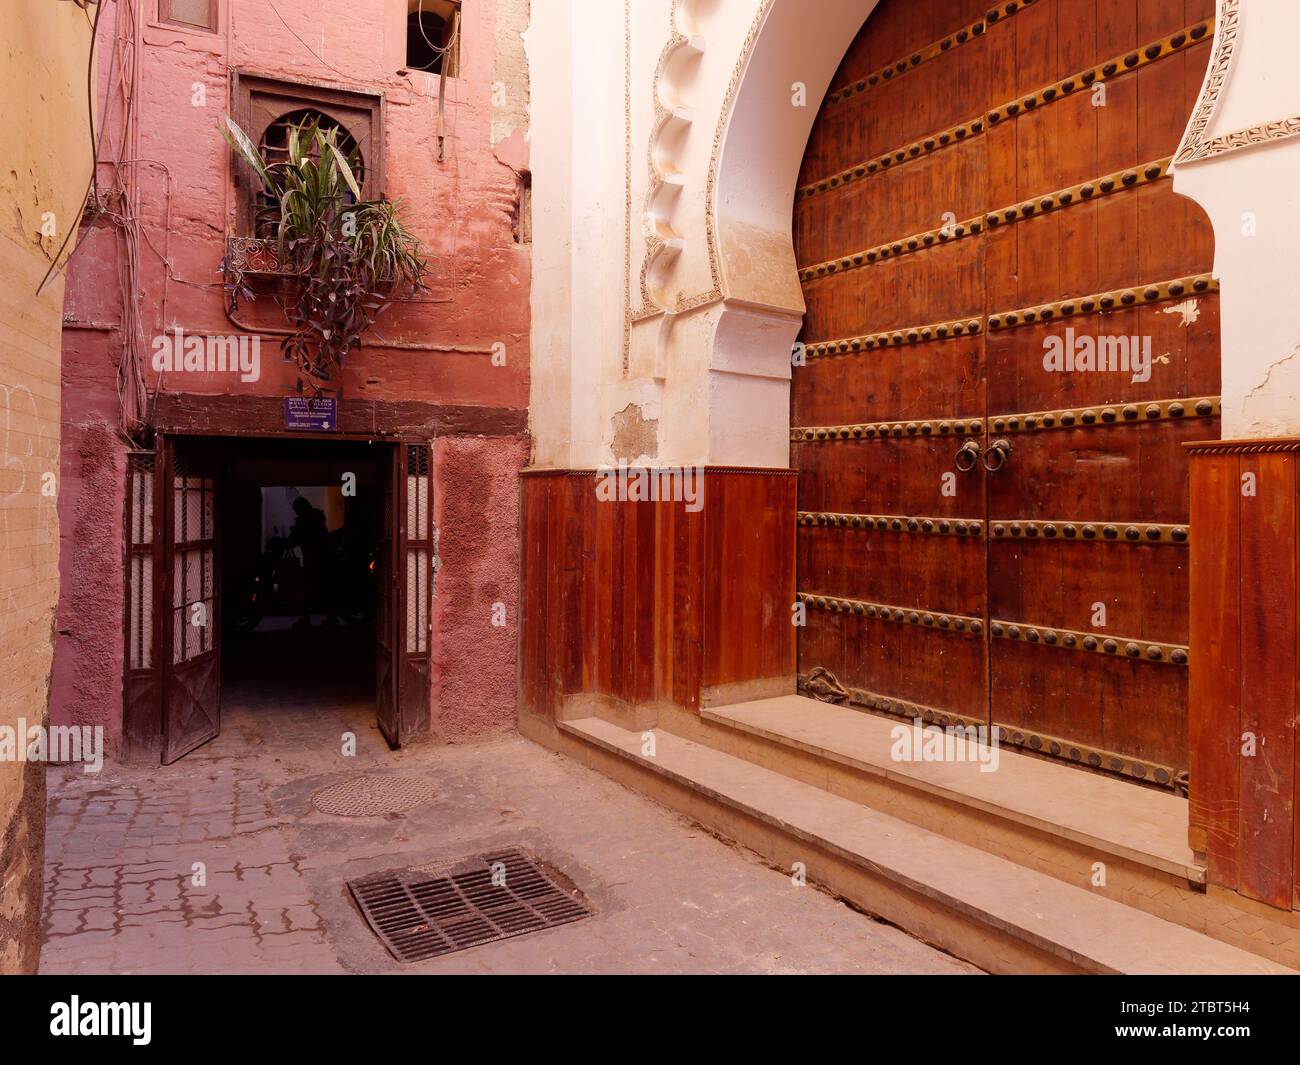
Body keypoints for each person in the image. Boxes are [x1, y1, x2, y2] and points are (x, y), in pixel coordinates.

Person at [286, 496, 338, 627]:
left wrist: (286, 541)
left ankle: (306, 618)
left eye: (296, 509)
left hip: (313, 559)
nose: (296, 512)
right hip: (324, 557)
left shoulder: (305, 520)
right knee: (327, 587)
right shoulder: (317, 517)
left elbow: (296, 538)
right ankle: (331, 616)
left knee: (309, 589)